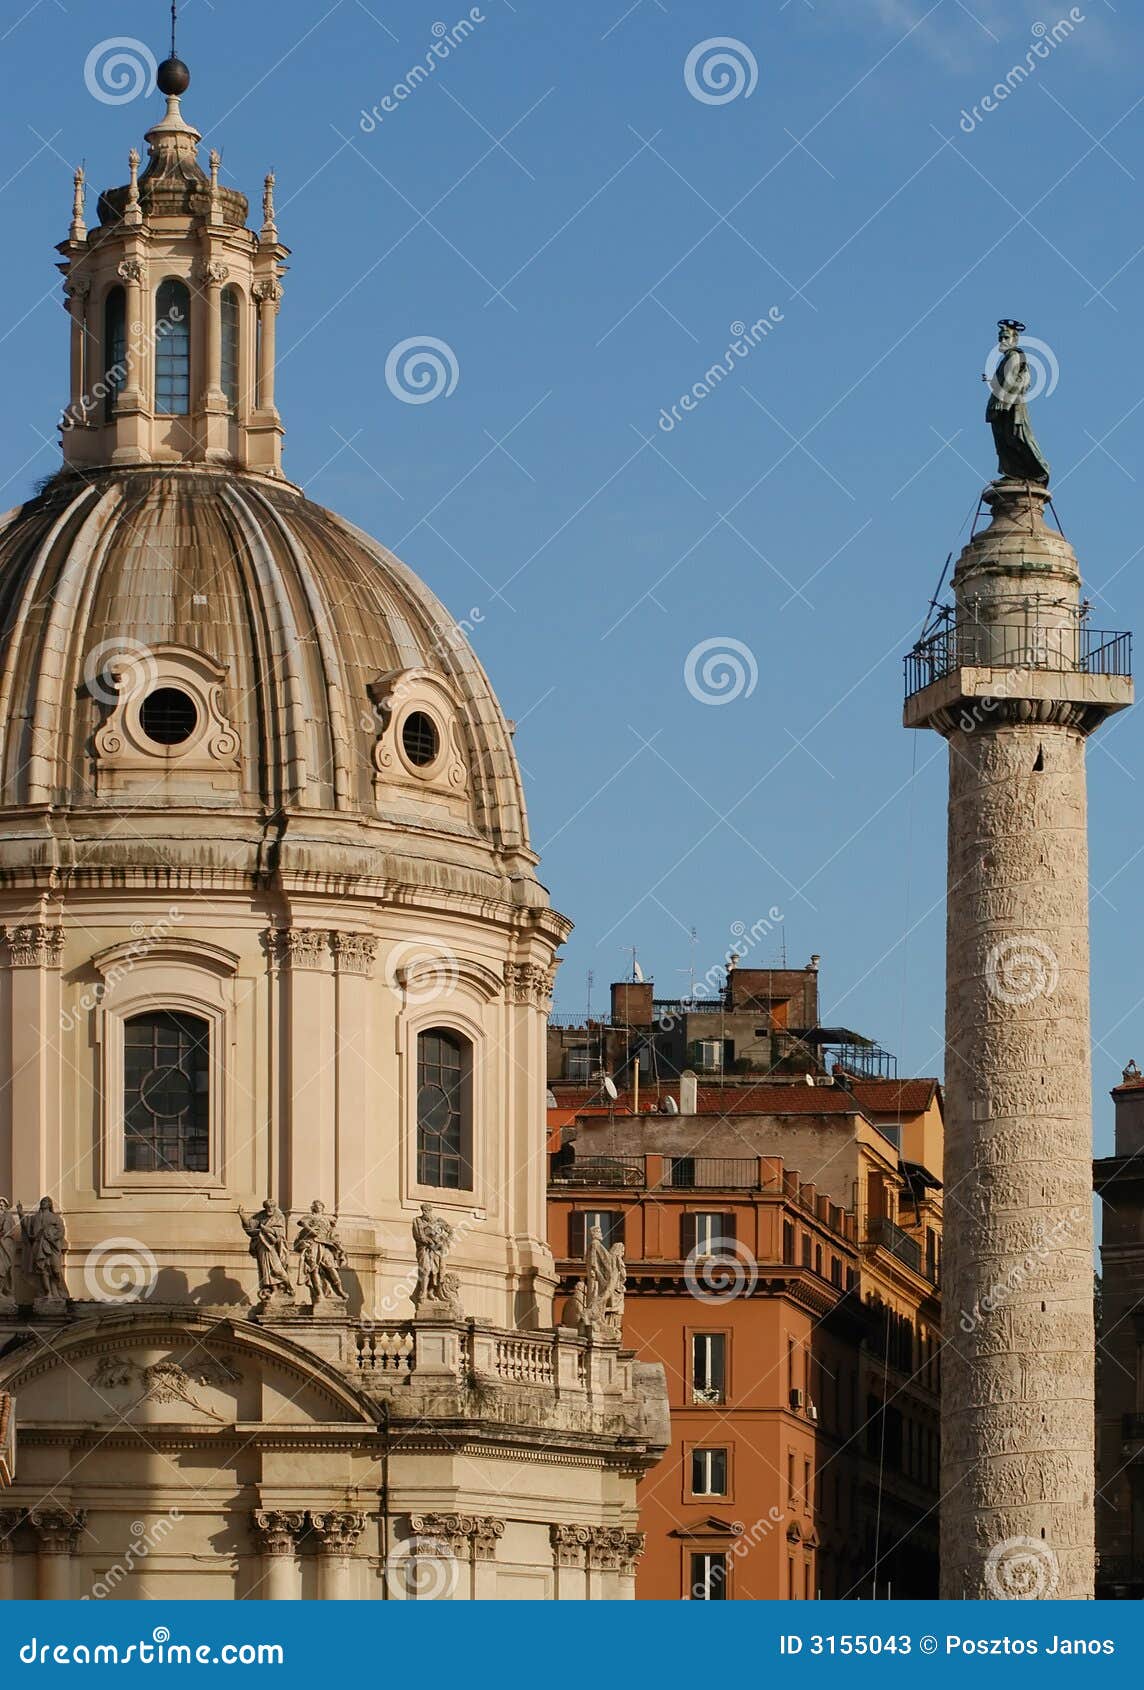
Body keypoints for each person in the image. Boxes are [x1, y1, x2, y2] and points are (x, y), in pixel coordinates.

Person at [984, 319, 1050, 486]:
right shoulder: (1007, 358)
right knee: (1004, 439)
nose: (1002, 341)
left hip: (1011, 405)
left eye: (1005, 337)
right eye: (1000, 338)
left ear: (1014, 339)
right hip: (1003, 404)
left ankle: (1037, 471)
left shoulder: (1015, 355)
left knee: (1017, 436)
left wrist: (1002, 399)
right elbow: (1005, 379)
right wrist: (992, 381)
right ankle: (1013, 472)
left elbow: (1012, 380)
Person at [293, 1200, 347, 1302]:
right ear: (313, 1207)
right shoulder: (310, 1217)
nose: (318, 1207)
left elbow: (332, 1234)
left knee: (331, 1267)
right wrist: (310, 1230)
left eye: (320, 1205)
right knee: (314, 1269)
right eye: (316, 1205)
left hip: (325, 1245)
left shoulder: (326, 1219)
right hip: (313, 1244)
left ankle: (340, 1291)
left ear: (323, 1207)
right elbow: (301, 1222)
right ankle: (319, 1294)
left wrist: (341, 1250)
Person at [239, 1199, 292, 1296]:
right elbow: (249, 1227)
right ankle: (274, 1289)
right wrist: (242, 1216)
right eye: (267, 1207)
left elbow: (280, 1232)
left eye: (271, 1207)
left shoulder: (279, 1217)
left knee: (277, 1269)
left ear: (274, 1207)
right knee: (266, 1270)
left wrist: (265, 1228)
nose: (269, 1209)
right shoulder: (260, 1215)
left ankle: (289, 1287)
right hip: (261, 1246)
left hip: (274, 1247)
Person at [18, 1196, 68, 1300]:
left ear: (50, 1204)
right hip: (39, 1246)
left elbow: (61, 1231)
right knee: (43, 1270)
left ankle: (58, 1290)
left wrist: (52, 1236)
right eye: (42, 1201)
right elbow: (26, 1225)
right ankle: (48, 1293)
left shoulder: (55, 1217)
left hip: (51, 1246)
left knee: (55, 1270)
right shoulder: (35, 1217)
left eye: (46, 1201)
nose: (44, 1203)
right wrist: (20, 1213)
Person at [412, 1203, 453, 1303]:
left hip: (437, 1250)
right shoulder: (417, 1220)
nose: (425, 1213)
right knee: (425, 1269)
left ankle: (431, 1292)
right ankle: (423, 1293)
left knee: (436, 1272)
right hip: (424, 1249)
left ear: (431, 1211)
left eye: (427, 1211)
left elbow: (450, 1230)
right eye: (423, 1211)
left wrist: (445, 1240)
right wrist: (429, 1240)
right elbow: (418, 1235)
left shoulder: (438, 1221)